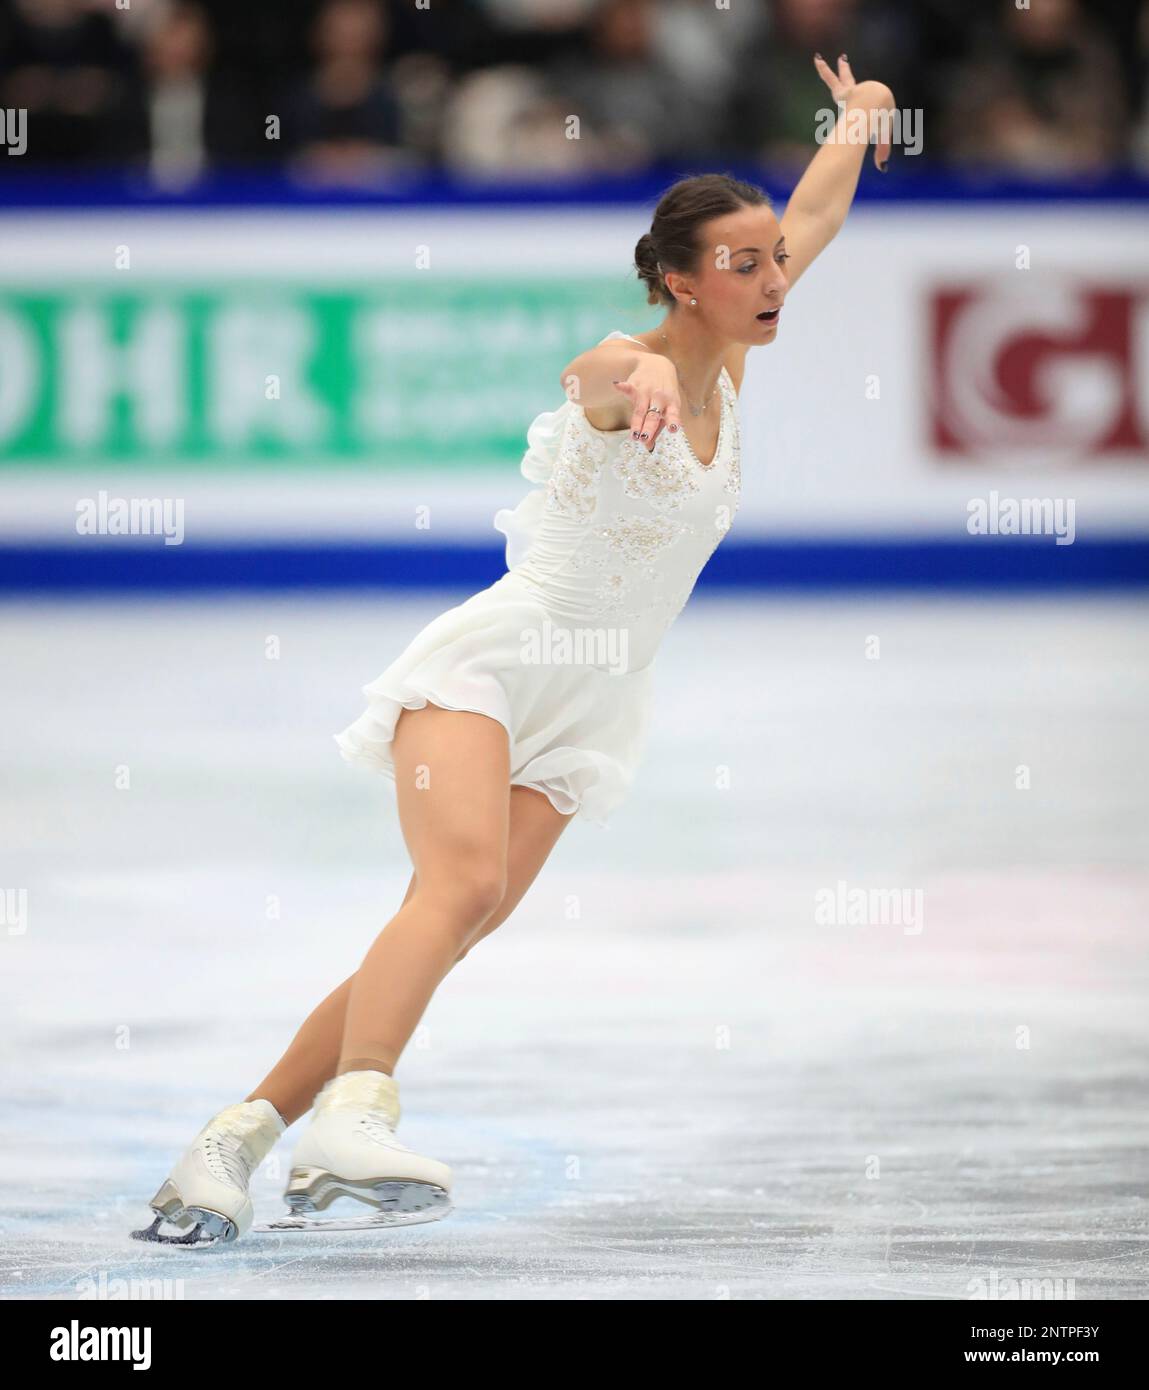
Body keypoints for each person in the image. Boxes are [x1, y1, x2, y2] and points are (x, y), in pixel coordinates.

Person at [133, 54, 895, 1246]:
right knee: (460, 889)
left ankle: (229, 1141)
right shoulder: (626, 368)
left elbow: (815, 215)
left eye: (772, 265)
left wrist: (858, 121)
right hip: (496, 664)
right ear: (681, 285)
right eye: (741, 266)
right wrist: (636, 365)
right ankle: (357, 1111)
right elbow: (593, 371)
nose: (771, 279)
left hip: (595, 701)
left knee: (447, 920)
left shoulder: (734, 366)